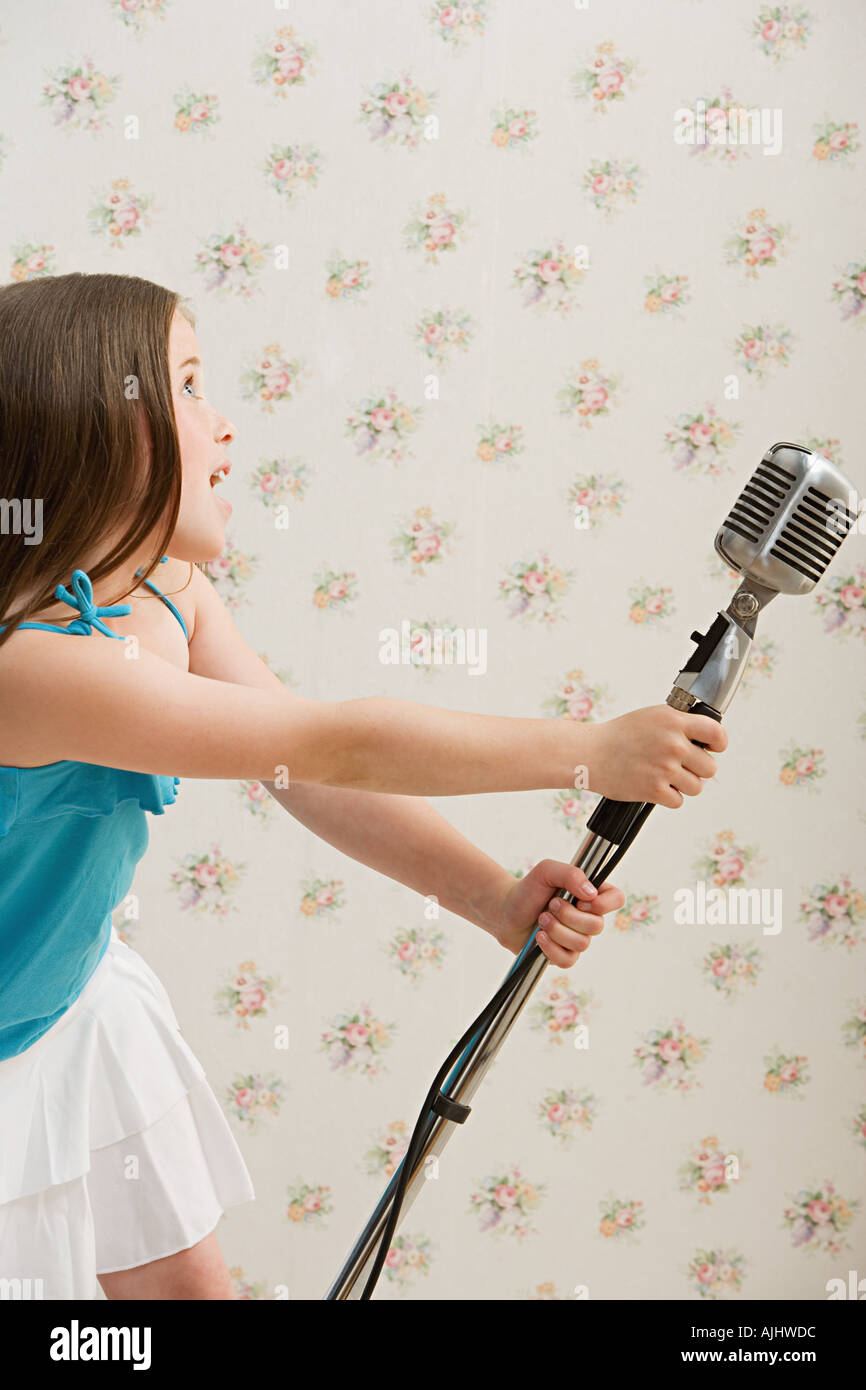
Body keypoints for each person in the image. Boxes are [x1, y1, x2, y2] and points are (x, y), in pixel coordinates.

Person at [0, 272, 728, 1300]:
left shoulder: (170, 593)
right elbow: (339, 743)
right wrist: (587, 751)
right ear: (94, 426)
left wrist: (488, 895)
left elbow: (301, 775)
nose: (226, 424)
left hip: (67, 1005)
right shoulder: (34, 668)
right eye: (191, 386)